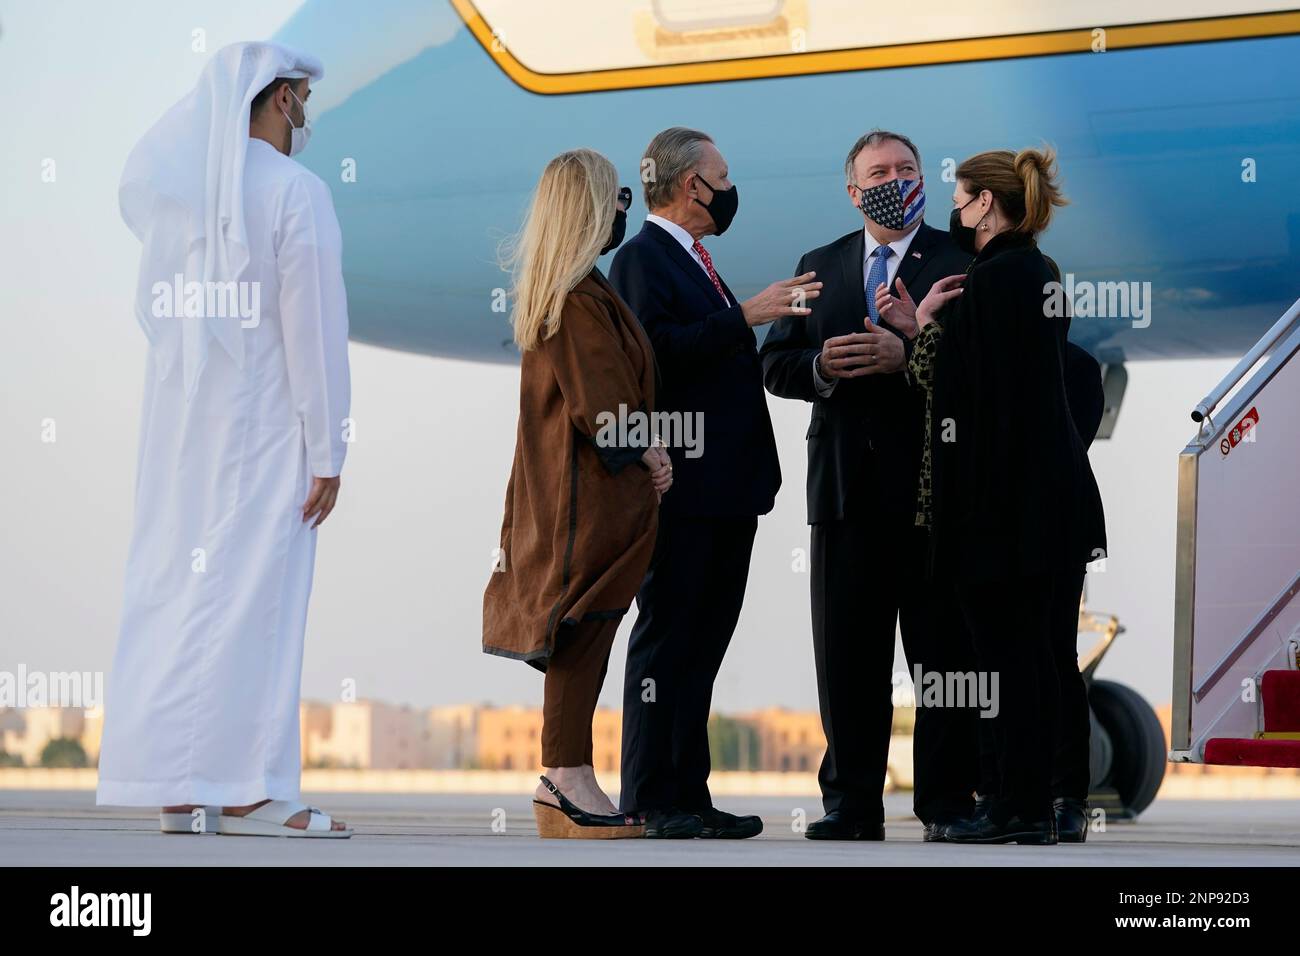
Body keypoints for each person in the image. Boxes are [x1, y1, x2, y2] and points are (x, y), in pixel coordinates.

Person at [96, 42, 353, 837]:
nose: (305, 112)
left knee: (181, 595)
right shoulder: (297, 193)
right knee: (258, 602)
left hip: (179, 448)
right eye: (301, 96)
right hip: (270, 438)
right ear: (279, 99)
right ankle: (249, 789)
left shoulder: (190, 203)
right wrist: (329, 450)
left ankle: (183, 789)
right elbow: (315, 332)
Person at [882, 147, 1107, 845]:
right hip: (1048, 509)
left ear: (983, 203)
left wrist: (921, 331)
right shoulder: (1037, 273)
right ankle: (1033, 805)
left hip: (1003, 514)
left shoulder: (993, 278)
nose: (954, 206)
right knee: (1040, 660)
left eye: (960, 194)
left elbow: (963, 396)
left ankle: (1015, 809)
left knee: (1007, 666)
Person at [761, 130, 974, 841]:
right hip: (845, 492)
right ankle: (850, 804)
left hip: (931, 495)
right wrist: (821, 366)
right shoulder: (817, 266)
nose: (894, 179)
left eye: (906, 169)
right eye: (878, 172)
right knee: (848, 658)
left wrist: (907, 353)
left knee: (941, 656)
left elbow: (982, 365)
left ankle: (947, 803)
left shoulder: (961, 258)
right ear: (852, 190)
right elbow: (776, 365)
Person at [611, 127, 820, 839]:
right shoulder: (643, 260)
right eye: (722, 176)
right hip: (685, 489)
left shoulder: (696, 261)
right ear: (688, 185)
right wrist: (747, 316)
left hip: (728, 490)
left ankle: (688, 795)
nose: (730, 189)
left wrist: (738, 317)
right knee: (667, 641)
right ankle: (648, 796)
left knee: (702, 649)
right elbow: (654, 356)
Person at [482, 148, 670, 840]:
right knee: (582, 630)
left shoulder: (572, 288)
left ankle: (569, 775)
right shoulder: (578, 298)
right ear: (588, 206)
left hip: (580, 498)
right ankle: (564, 778)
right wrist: (651, 450)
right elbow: (606, 405)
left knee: (586, 633)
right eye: (615, 197)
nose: (625, 208)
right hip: (588, 503)